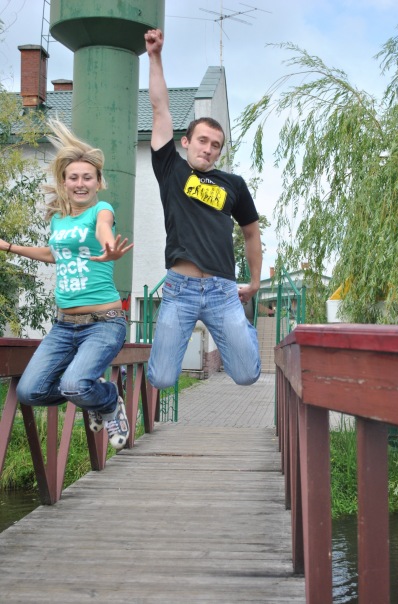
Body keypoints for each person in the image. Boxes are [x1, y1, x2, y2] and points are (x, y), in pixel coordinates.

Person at [0, 120, 133, 450]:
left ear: (98, 182)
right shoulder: (59, 219)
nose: (80, 183)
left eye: (87, 177)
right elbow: (53, 254)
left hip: (103, 324)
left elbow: (103, 231)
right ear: (64, 182)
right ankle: (89, 391)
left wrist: (108, 247)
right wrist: (10, 247)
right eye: (74, 177)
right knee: (30, 391)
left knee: (74, 385)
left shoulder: (101, 210)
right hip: (63, 326)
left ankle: (107, 400)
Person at [144, 28, 262, 389]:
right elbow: (160, 108)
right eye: (202, 141)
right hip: (179, 289)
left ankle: (244, 328)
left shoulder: (233, 184)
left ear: (219, 152)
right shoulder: (171, 169)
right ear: (186, 142)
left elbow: (251, 232)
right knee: (162, 378)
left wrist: (255, 282)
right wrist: (155, 56)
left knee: (246, 374)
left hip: (223, 292)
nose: (208, 149)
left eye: (215, 145)